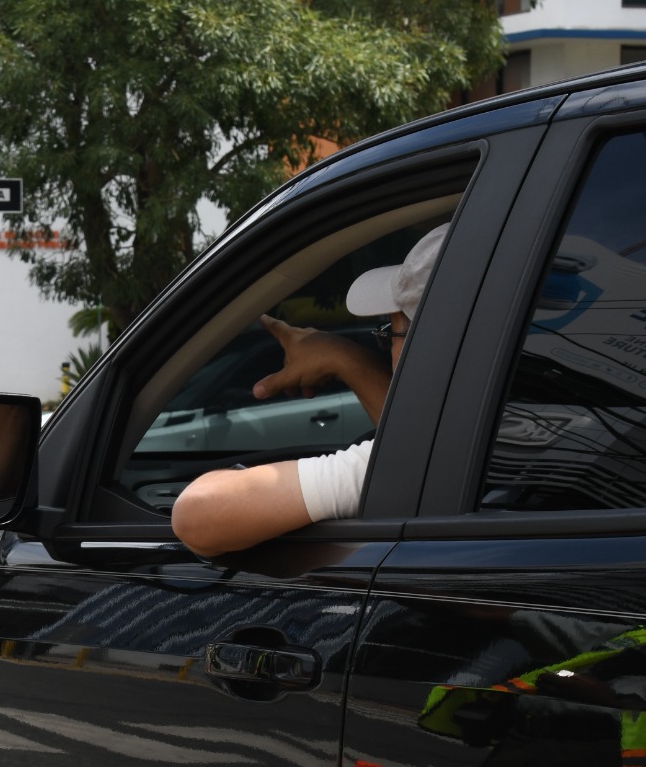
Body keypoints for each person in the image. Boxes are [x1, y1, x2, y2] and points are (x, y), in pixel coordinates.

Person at [170, 224, 448, 557]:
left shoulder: (432, 458)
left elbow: (197, 514)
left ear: (427, 341)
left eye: (391, 331)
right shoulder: (492, 440)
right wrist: (345, 359)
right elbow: (413, 444)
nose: (391, 349)